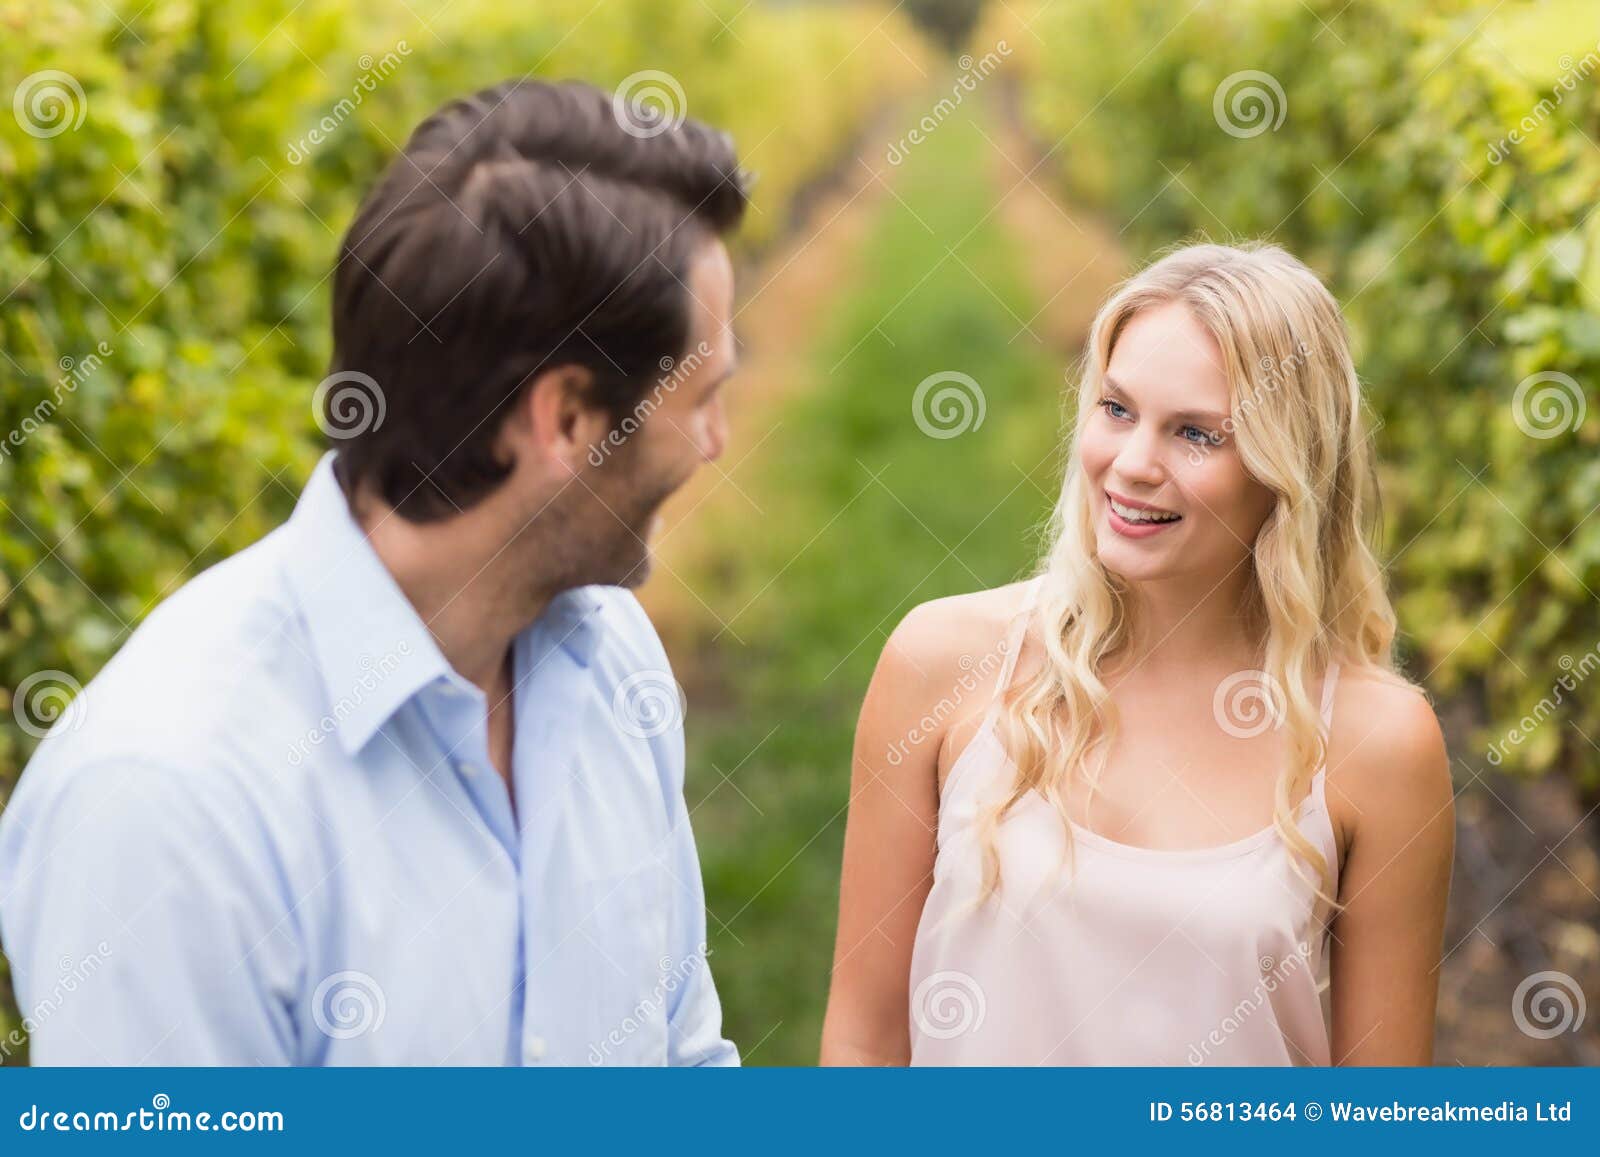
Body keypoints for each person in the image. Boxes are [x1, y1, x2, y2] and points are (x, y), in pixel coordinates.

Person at [0, 78, 748, 1065]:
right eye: (702, 399)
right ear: (566, 420)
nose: (718, 442)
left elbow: (682, 1065)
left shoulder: (611, 665)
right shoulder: (166, 804)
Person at [820, 242, 1455, 1066]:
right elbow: (864, 1044)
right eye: (1116, 410)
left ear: (1286, 469)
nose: (1131, 465)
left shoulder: (1381, 744)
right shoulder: (942, 664)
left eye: (1195, 433)